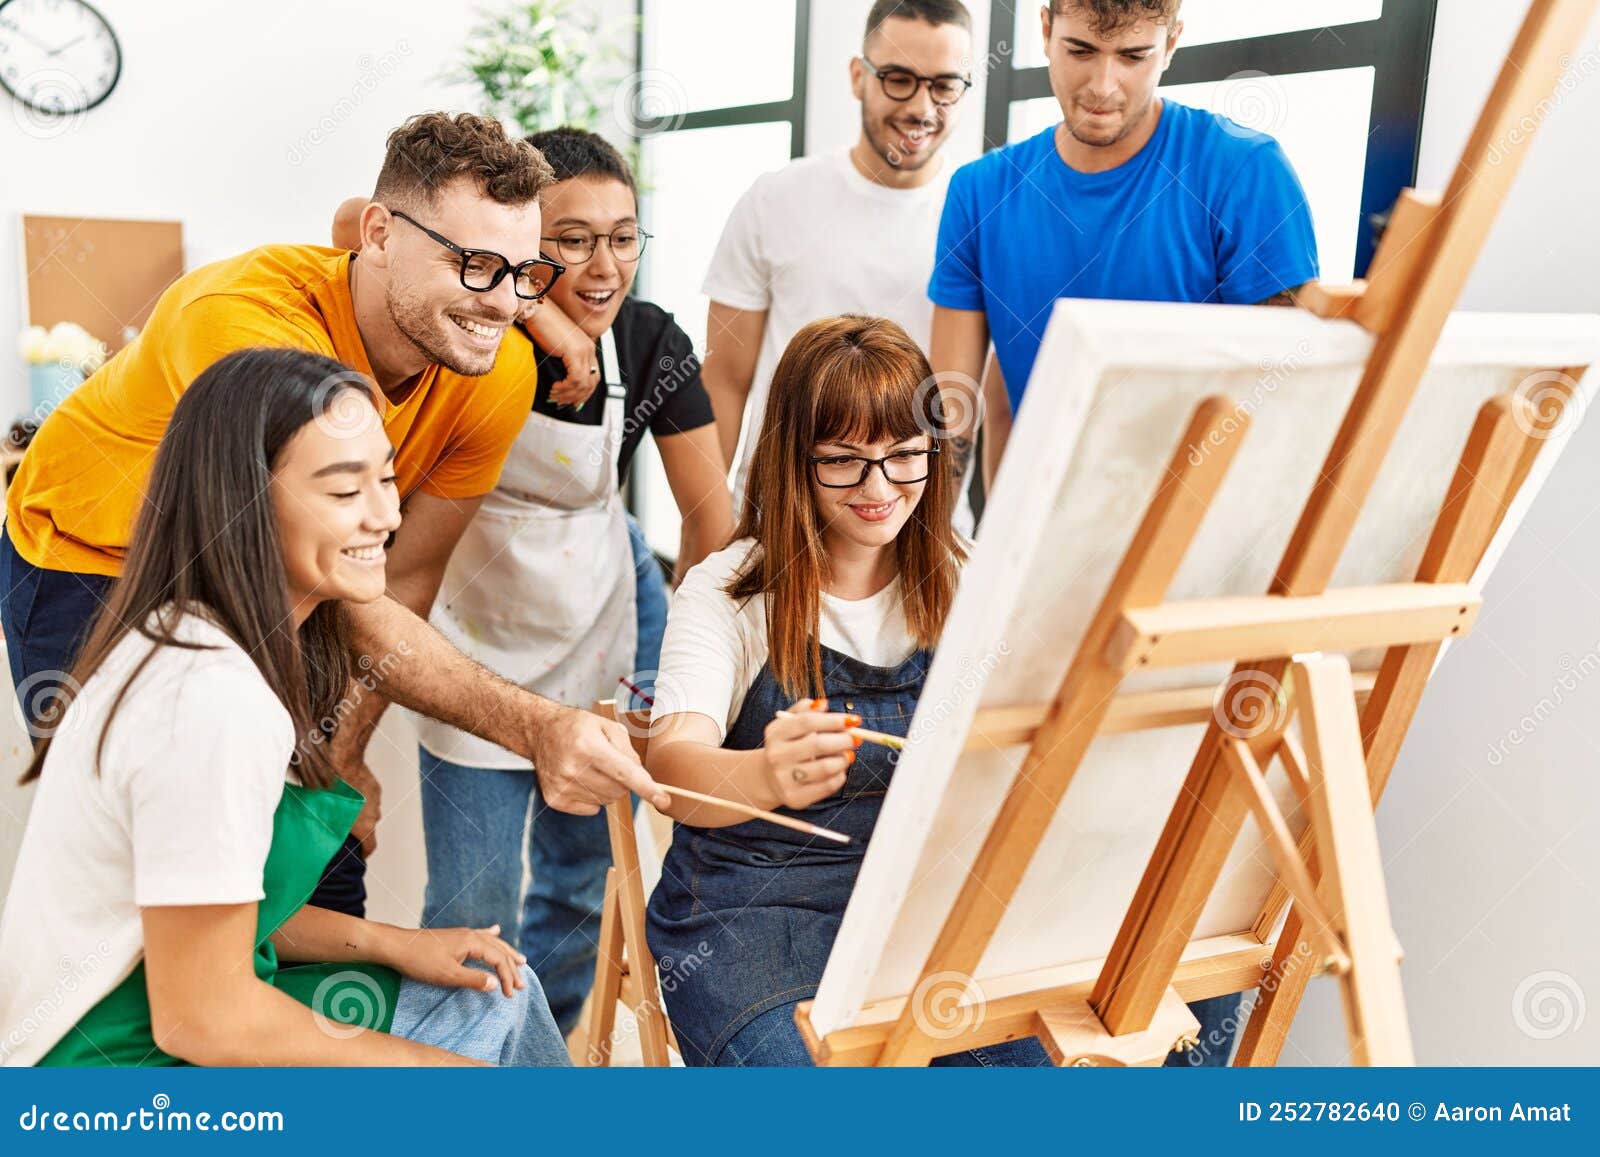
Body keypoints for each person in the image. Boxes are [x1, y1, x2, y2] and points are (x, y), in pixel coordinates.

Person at [0, 111, 670, 923]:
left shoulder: (492, 373)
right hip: (95, 557)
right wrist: (537, 727)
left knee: (320, 852)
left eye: (524, 275)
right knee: (151, 855)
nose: (503, 305)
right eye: (476, 266)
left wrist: (342, 746)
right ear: (380, 235)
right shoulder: (244, 325)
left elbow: (399, 577)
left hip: (289, 573)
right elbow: (330, 584)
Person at [0, 349, 568, 1067]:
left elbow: (213, 907)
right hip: (111, 1080)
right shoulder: (208, 699)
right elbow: (204, 1021)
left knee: (497, 998)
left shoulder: (208, 640)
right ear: (244, 506)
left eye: (387, 479)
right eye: (344, 491)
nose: (387, 515)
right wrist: (442, 1075)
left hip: (171, 1014)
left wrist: (394, 943)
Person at [641, 315, 1049, 1066]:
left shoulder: (967, 575)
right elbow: (671, 769)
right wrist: (764, 773)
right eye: (843, 461)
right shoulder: (729, 591)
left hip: (910, 911)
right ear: (793, 458)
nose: (878, 487)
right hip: (747, 914)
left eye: (904, 456)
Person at [401, 127, 731, 1036]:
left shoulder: (649, 341)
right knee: (470, 899)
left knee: (582, 879)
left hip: (600, 626)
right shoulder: (471, 321)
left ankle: (533, 1054)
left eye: (623, 237)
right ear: (521, 243)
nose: (604, 266)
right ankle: (458, 1071)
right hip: (470, 636)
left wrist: (707, 662)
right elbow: (360, 222)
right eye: (573, 239)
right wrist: (538, 317)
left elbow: (712, 520)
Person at [928, 0, 1319, 499]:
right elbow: (955, 416)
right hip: (1046, 525)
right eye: (1080, 50)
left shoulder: (1246, 172)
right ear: (1045, 30)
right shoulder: (980, 193)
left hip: (1198, 525)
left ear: (1171, 44)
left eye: (1133, 57)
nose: (1102, 86)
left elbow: (1290, 406)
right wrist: (950, 542)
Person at [700, 0, 977, 527]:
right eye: (899, 79)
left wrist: (937, 531)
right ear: (858, 76)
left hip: (916, 524)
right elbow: (725, 380)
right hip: (780, 519)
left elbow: (970, 399)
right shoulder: (776, 198)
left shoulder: (979, 214)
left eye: (944, 85)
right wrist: (708, 525)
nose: (922, 107)